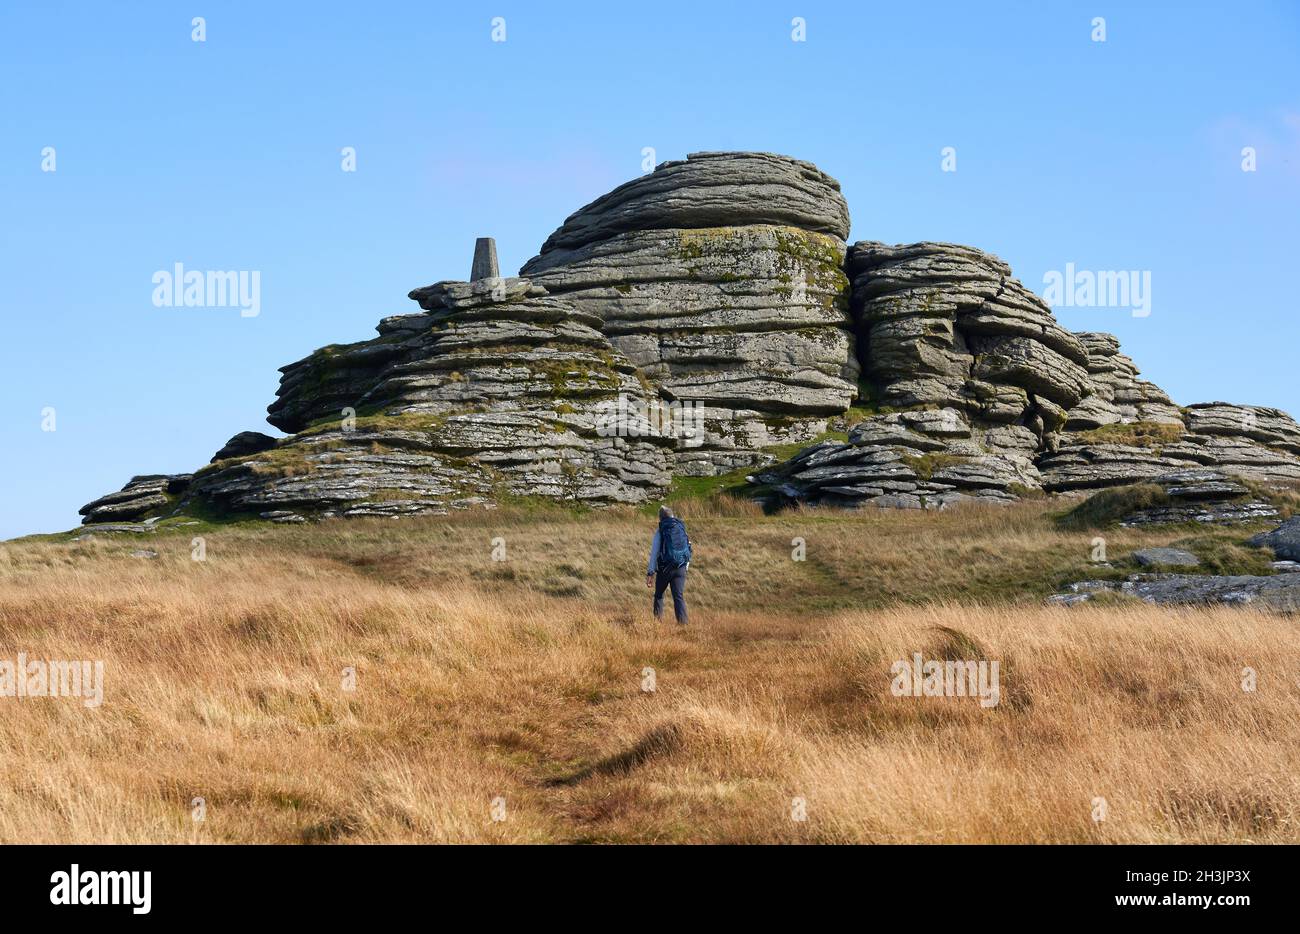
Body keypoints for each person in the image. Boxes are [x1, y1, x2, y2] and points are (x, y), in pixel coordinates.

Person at [646, 505, 691, 625]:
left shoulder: (661, 530)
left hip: (665, 569)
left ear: (660, 518)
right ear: (672, 516)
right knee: (678, 596)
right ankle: (683, 625)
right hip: (680, 567)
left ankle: (657, 623)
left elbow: (654, 553)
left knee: (659, 595)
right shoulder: (681, 527)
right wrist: (685, 567)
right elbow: (688, 547)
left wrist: (650, 572)